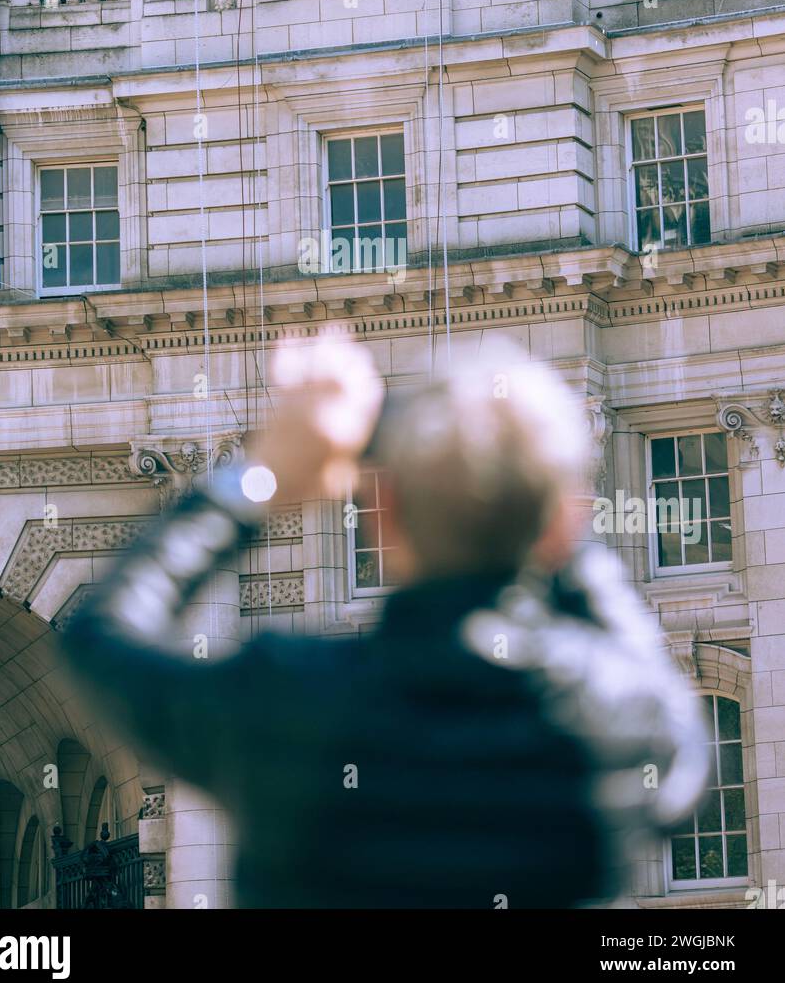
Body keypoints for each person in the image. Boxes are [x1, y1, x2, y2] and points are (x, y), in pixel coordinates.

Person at [60, 336, 710, 909]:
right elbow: (653, 675)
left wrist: (263, 475)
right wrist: (537, 495)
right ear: (562, 522)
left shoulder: (290, 700)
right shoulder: (623, 721)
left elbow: (102, 637)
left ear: (381, 516)